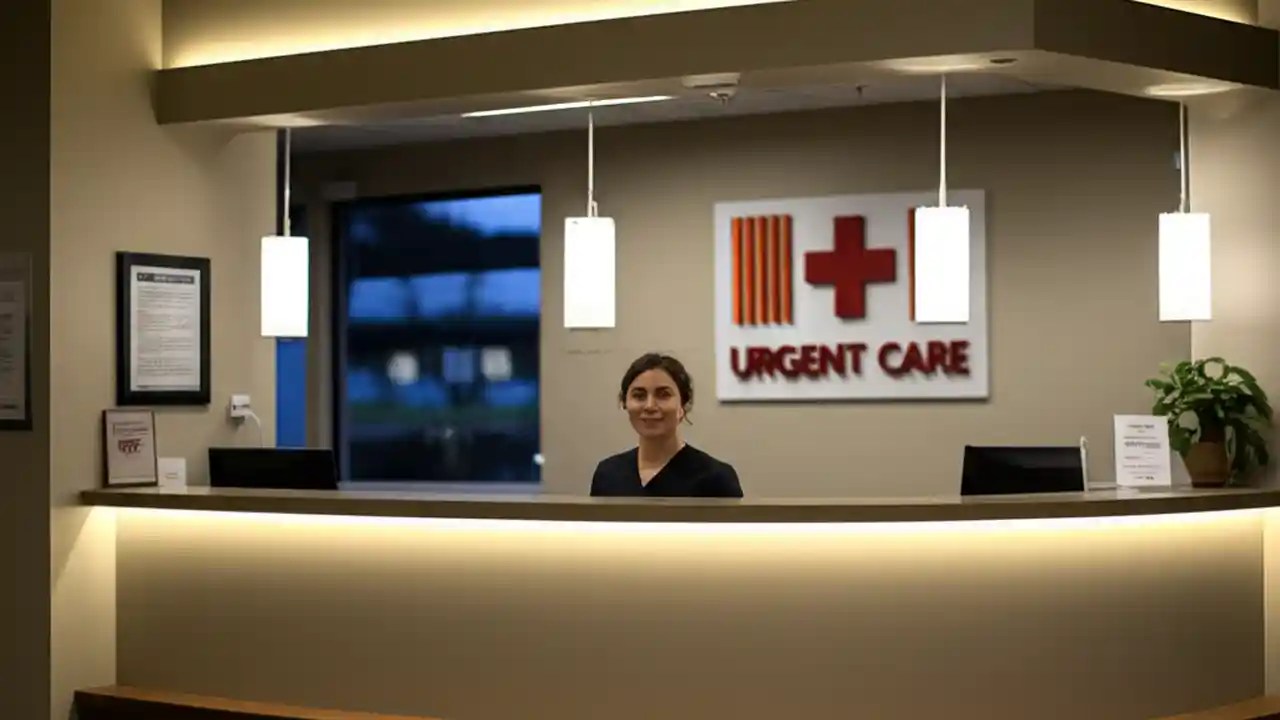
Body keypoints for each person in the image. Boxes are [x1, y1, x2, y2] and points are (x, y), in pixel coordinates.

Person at [590, 353, 743, 498]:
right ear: (625, 403)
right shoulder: (608, 474)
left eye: (663, 395)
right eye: (639, 395)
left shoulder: (716, 479)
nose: (649, 406)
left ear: (683, 405)